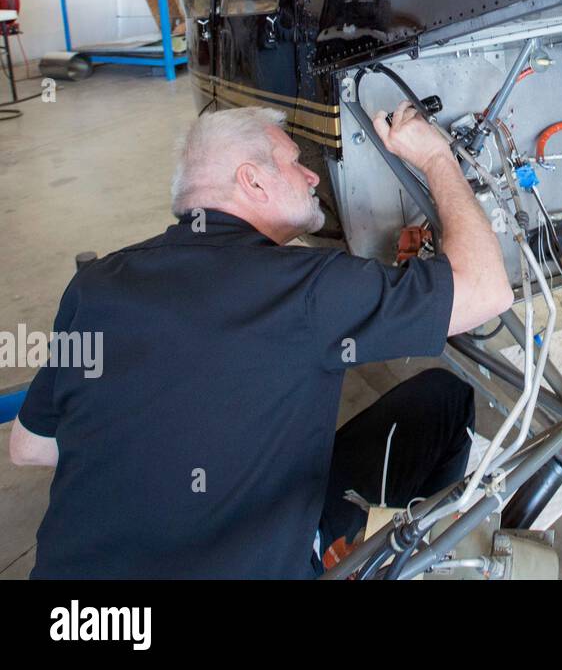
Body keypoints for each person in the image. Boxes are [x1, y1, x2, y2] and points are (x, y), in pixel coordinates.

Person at [8, 102, 512, 578]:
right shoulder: (308, 286)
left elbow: (30, 446)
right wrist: (435, 157)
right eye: (295, 162)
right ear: (251, 180)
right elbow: (487, 289)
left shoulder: (96, 284)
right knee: (445, 401)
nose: (313, 176)